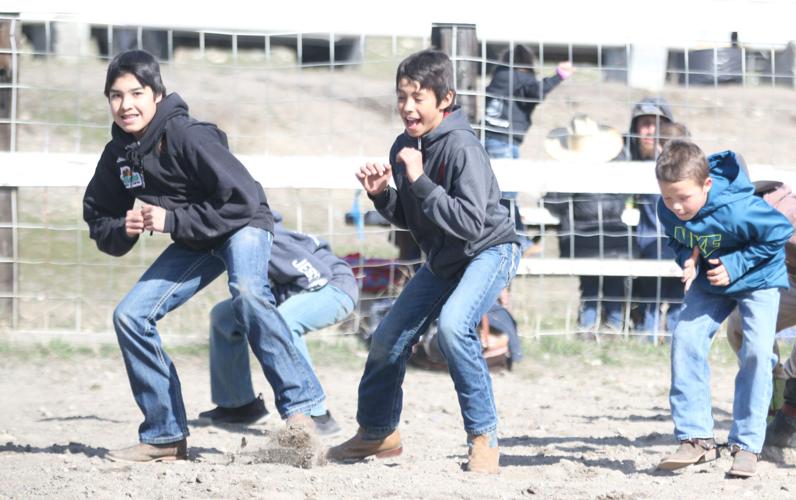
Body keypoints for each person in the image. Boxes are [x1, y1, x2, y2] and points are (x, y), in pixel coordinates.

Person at [82, 50, 324, 462]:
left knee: (247, 292)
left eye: (136, 93)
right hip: (196, 238)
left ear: (157, 94)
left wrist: (173, 220)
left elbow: (244, 200)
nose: (126, 105)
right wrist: (122, 227)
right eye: (116, 96)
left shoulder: (189, 135)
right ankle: (164, 435)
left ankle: (301, 411)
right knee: (129, 315)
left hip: (242, 224)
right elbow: (98, 215)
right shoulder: (120, 153)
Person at [327, 49, 520, 474]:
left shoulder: (462, 147)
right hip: (445, 259)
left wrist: (418, 179)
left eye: (418, 97)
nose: (408, 107)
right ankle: (378, 433)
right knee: (385, 338)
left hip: (489, 251)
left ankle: (484, 438)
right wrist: (383, 194)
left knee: (453, 328)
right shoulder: (405, 146)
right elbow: (414, 217)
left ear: (445, 99)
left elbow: (469, 223)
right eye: (401, 97)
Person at [654, 140, 793, 478]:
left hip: (759, 278)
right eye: (668, 197)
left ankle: (746, 446)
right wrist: (686, 257)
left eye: (683, 198)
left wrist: (736, 264)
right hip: (711, 281)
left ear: (707, 185)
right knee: (685, 337)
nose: (676, 206)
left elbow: (780, 232)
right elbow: (679, 237)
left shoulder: (741, 208)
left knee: (757, 353)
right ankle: (696, 438)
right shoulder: (666, 207)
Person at [197, 213, 358, 436]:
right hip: (297, 287)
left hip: (333, 286)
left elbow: (316, 275)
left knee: (283, 321)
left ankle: (316, 413)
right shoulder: (232, 232)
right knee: (224, 316)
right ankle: (238, 405)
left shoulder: (265, 237)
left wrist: (277, 308)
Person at [724, 179, 796, 450]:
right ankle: (772, 399)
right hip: (786, 278)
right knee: (741, 324)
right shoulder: (744, 212)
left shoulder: (786, 217)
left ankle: (791, 410)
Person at [542, 114, 629, 334]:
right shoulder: (618, 167)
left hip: (580, 237)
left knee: (589, 284)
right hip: (615, 236)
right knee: (614, 282)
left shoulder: (569, 171)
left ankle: (588, 323)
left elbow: (554, 202)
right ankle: (615, 323)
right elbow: (625, 197)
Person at [483, 44, 573, 255]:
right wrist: (559, 75)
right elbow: (536, 92)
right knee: (506, 194)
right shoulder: (520, 78)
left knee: (496, 193)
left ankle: (509, 236)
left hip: (489, 139)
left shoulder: (499, 77)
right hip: (505, 142)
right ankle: (519, 241)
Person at [622, 97, 685, 340]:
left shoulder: (684, 168)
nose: (650, 131)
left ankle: (676, 339)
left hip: (680, 248)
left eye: (656, 124)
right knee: (649, 300)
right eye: (644, 124)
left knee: (680, 303)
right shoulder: (627, 163)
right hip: (647, 247)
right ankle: (645, 338)